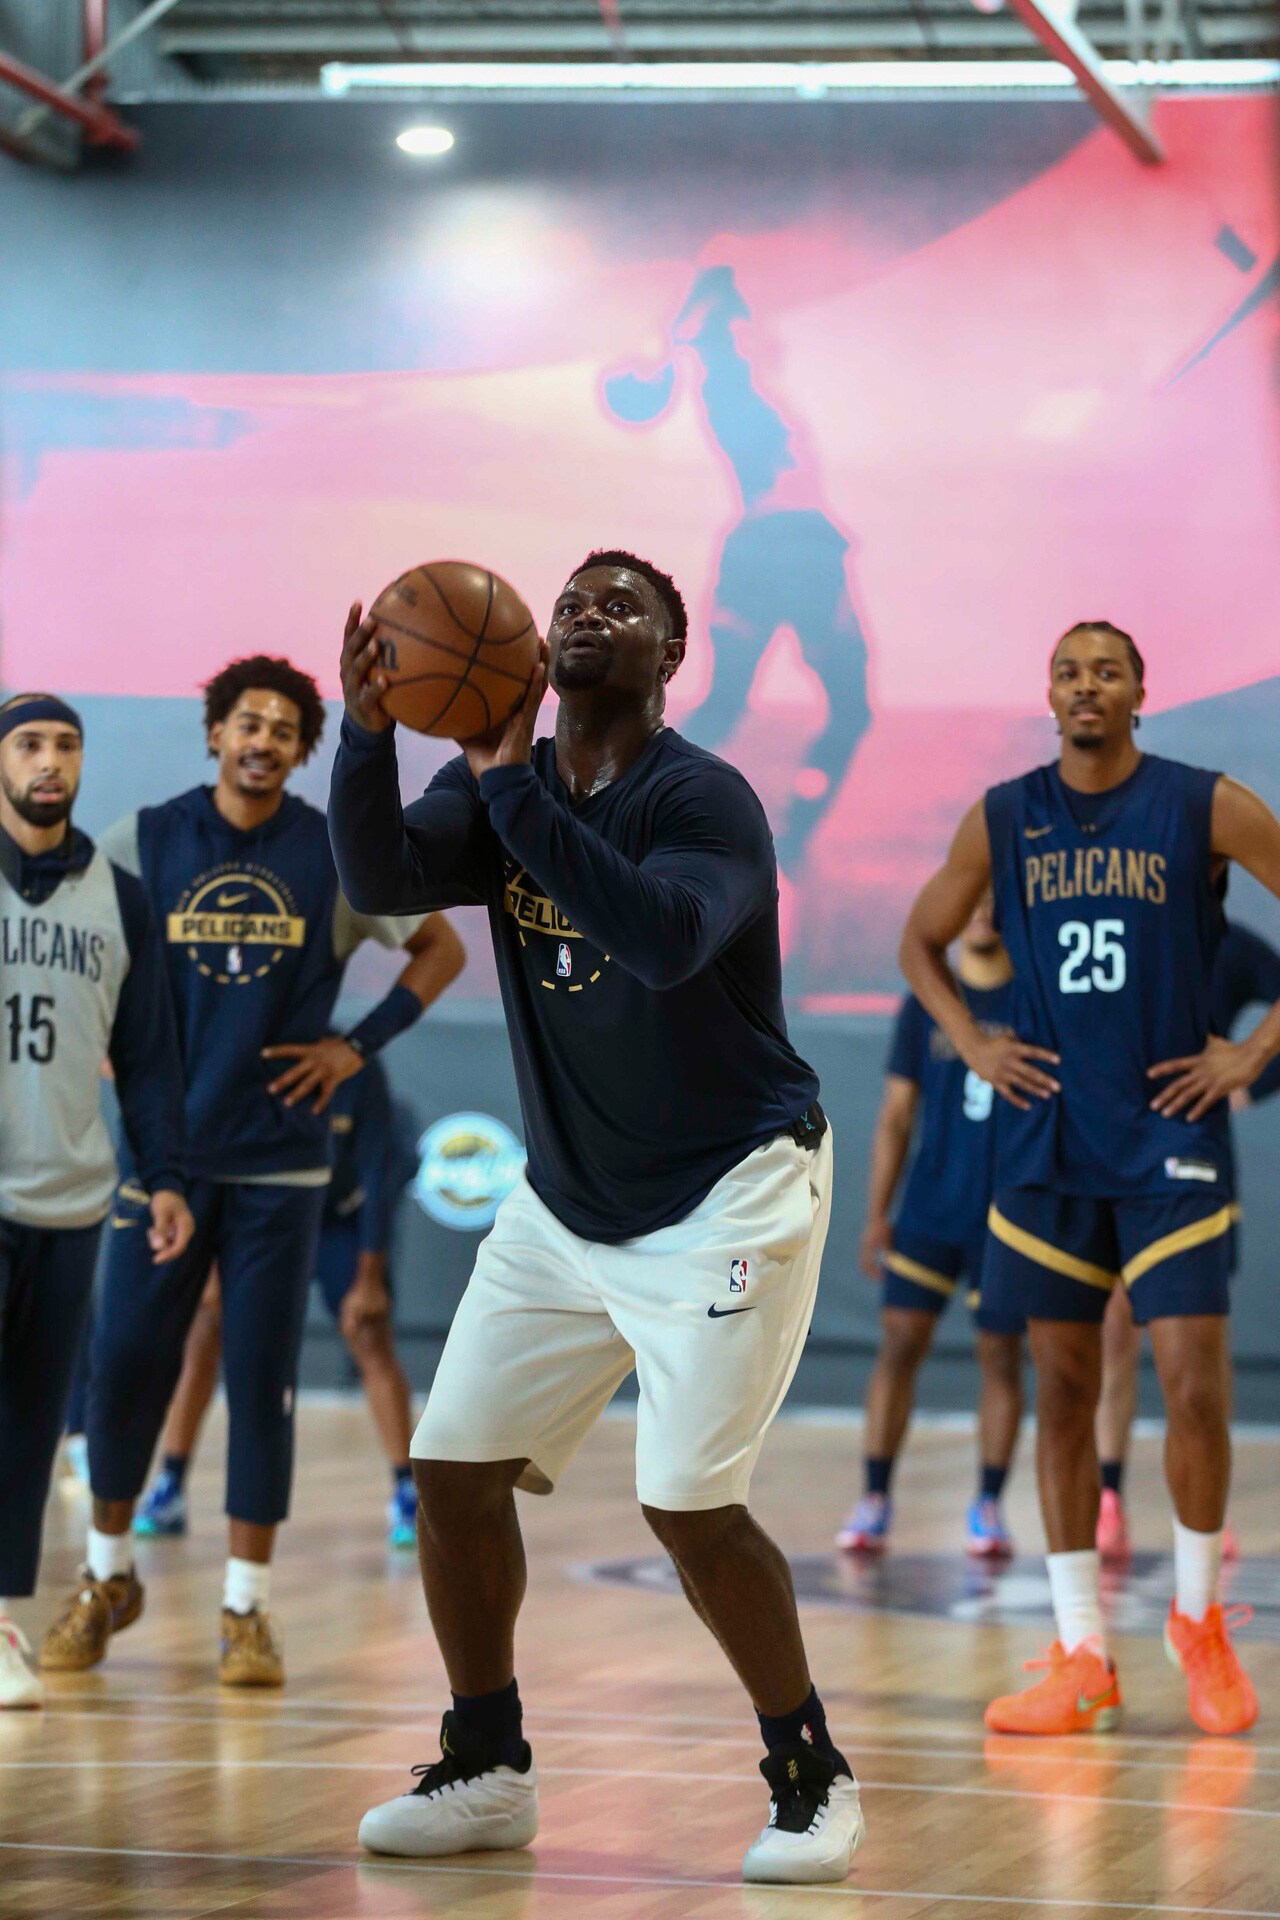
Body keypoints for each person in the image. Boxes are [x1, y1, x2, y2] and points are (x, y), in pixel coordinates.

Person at [328, 552, 864, 1885]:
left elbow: (665, 937)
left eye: (623, 607)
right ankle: (488, 1762)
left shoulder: (705, 797)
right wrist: (366, 731)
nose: (585, 616)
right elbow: (388, 878)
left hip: (731, 1186)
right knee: (452, 1474)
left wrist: (510, 790)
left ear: (672, 655)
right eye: (571, 600)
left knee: (687, 1504)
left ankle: (811, 1773)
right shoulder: (493, 783)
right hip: (569, 1201)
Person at [41, 656, 464, 1689]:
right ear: (215, 733)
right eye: (248, 723)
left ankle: (247, 1608)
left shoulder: (329, 851)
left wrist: (353, 1049)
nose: (264, 740)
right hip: (165, 1164)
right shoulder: (148, 837)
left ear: (300, 748)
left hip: (280, 1169)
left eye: (284, 728)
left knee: (260, 1387)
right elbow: (86, 945)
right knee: (125, 1370)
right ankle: (106, 1577)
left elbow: (439, 951)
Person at [900, 619, 1280, 1739]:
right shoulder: (1004, 814)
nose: (1084, 687)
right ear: (1049, 694)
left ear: (1137, 692)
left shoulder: (1202, 802)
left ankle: (1196, 1622)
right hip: (1043, 1146)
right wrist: (970, 1043)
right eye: (1066, 672)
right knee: (1059, 1397)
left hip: (1166, 1137)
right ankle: (1079, 1653)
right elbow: (919, 943)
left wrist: (1253, 1052)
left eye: (1103, 671)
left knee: (1192, 1385)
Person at [0, 694, 193, 1710]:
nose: (49, 762)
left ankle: (0, 1626)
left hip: (70, 1197)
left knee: (32, 1423)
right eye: (29, 744)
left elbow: (148, 1062)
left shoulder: (120, 899)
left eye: (66, 747)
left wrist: (161, 1176)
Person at [606, 265, 871, 871]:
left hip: (768, 549)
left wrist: (675, 336)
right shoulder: (729, 387)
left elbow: (723, 296)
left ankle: (637, 806)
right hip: (795, 547)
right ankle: (786, 831)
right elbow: (723, 284)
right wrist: (682, 329)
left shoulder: (735, 389)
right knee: (844, 706)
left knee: (730, 704)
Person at [135, 1054, 423, 1548]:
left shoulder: (354, 1065)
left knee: (369, 1333)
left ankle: (407, 1490)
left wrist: (369, 1275)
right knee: (206, 1326)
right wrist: (209, 1255)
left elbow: (379, 1172)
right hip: (265, 1216)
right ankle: (170, 1485)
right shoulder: (246, 1055)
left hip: (338, 1222)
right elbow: (212, 1157)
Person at [836, 893, 1024, 1559]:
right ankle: (875, 1496)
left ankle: (989, 1505)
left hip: (1007, 1220)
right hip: (928, 1213)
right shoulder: (927, 1003)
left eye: (992, 901)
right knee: (898, 1347)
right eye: (966, 901)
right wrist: (875, 1217)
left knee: (1002, 1359)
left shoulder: (1034, 1001)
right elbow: (895, 1115)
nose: (978, 912)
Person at [1095, 916, 1280, 1560]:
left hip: (1199, 1166)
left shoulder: (1229, 944)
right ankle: (1108, 1496)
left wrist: (1251, 1076)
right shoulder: (1121, 925)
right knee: (1114, 1330)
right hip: (1114, 1156)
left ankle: (1207, 1503)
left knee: (1199, 1347)